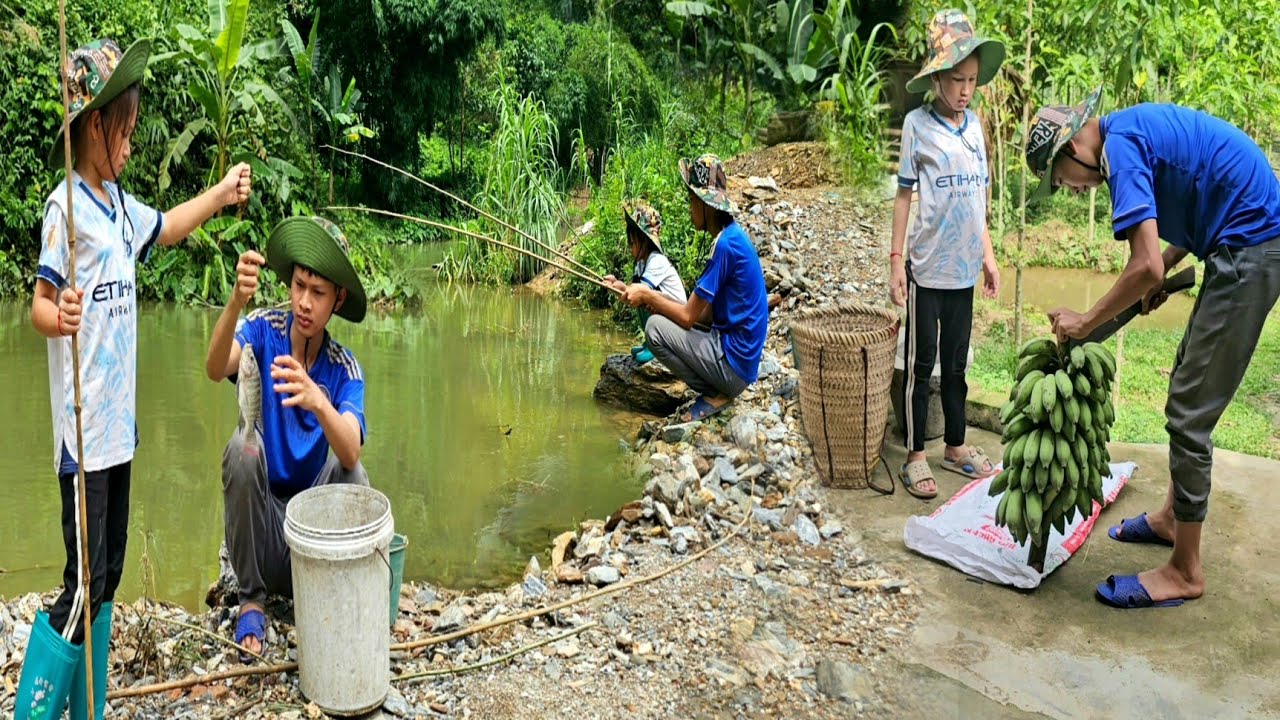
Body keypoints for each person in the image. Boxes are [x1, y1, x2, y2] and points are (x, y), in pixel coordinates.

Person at [16, 38, 252, 719]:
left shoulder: (117, 206)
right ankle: (32, 713)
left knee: (109, 577)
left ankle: (87, 709)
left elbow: (167, 228)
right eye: (126, 128)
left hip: (120, 430)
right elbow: (39, 302)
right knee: (84, 581)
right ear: (96, 126)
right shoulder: (65, 208)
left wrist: (220, 193)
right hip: (83, 430)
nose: (132, 141)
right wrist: (55, 315)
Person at [1027, 88, 1280, 608]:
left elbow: (1142, 266)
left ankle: (1186, 570)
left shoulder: (1120, 149)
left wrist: (1085, 320)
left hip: (1253, 247)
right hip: (1238, 235)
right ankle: (1170, 519)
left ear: (1074, 145)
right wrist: (1160, 270)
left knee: (1189, 411)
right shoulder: (1130, 132)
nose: (1072, 191)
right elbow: (1196, 199)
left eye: (1061, 179)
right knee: (1186, 374)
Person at [204, 216, 370, 657]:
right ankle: (251, 599)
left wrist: (318, 400)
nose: (304, 302)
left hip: (314, 543)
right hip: (265, 534)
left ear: (338, 299)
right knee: (242, 450)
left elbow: (351, 450)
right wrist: (235, 304)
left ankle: (335, 593)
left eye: (318, 293)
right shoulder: (262, 330)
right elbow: (216, 367)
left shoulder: (344, 368)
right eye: (299, 286)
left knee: (352, 473)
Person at [890, 9, 1003, 499]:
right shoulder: (917, 125)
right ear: (937, 77)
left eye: (972, 80)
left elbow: (979, 197)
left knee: (957, 364)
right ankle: (916, 455)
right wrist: (896, 258)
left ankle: (955, 447)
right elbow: (903, 195)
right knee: (922, 363)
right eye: (957, 79)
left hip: (963, 271)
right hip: (927, 268)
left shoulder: (975, 126)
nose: (964, 90)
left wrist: (989, 256)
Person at [621, 154, 768, 422]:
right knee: (659, 317)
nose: (690, 208)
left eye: (691, 201)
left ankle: (717, 392)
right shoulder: (730, 238)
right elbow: (703, 316)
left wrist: (647, 295)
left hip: (734, 367)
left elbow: (689, 317)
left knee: (654, 329)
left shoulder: (725, 246)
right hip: (740, 362)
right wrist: (649, 298)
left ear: (706, 205)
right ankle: (719, 388)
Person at [603, 200, 687, 364]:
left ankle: (659, 344)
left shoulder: (657, 261)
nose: (630, 247)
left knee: (645, 298)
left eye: (632, 242)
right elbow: (632, 293)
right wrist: (616, 285)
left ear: (644, 241)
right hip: (662, 318)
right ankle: (650, 342)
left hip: (676, 323)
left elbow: (641, 294)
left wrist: (623, 289)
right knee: (643, 299)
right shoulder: (642, 263)